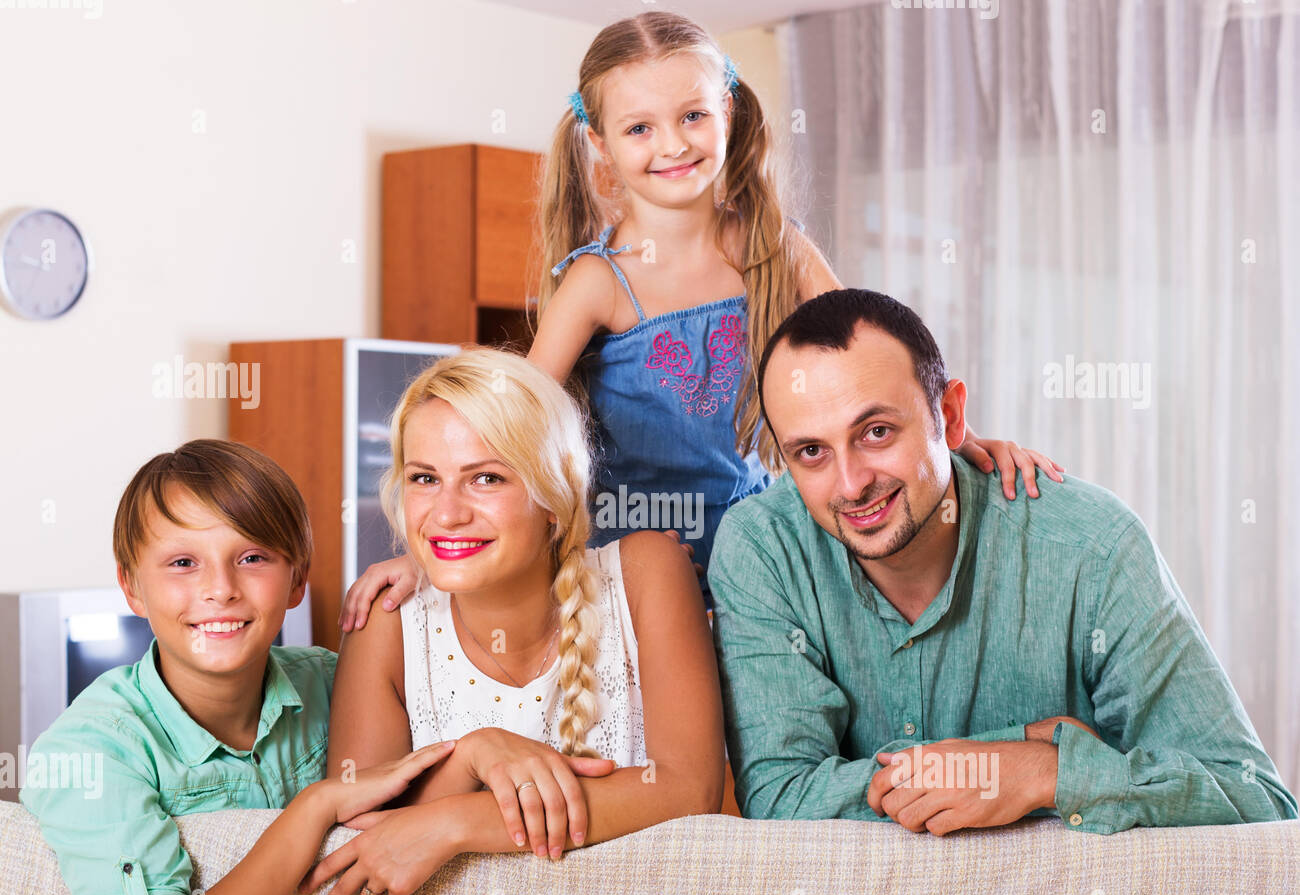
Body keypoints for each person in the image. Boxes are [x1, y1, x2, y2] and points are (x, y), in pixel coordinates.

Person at [338, 11, 1061, 628]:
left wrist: (960, 438)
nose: (674, 145)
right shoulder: (598, 281)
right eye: (640, 128)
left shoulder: (777, 249)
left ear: (729, 110)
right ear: (601, 145)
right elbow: (511, 423)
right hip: (635, 555)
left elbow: (875, 362)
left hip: (760, 539)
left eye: (692, 116)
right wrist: (423, 554)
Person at [709, 288, 1298, 834]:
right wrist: (1014, 755)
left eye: (877, 432)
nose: (850, 483)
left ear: (952, 417)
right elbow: (780, 800)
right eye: (811, 452)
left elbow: (1257, 803)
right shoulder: (762, 550)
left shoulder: (1093, 546)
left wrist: (1047, 773)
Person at [20, 440, 454, 895]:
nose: (220, 588)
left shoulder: (339, 683)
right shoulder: (89, 752)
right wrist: (317, 804)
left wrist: (431, 571)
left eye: (252, 558)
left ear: (298, 578)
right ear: (131, 587)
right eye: (182, 563)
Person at [300, 349, 723, 895]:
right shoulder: (387, 620)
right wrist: (476, 754)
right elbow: (363, 832)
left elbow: (688, 790)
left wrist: (453, 824)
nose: (446, 513)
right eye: (425, 478)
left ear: (554, 497)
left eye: (487, 478)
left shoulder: (647, 572)